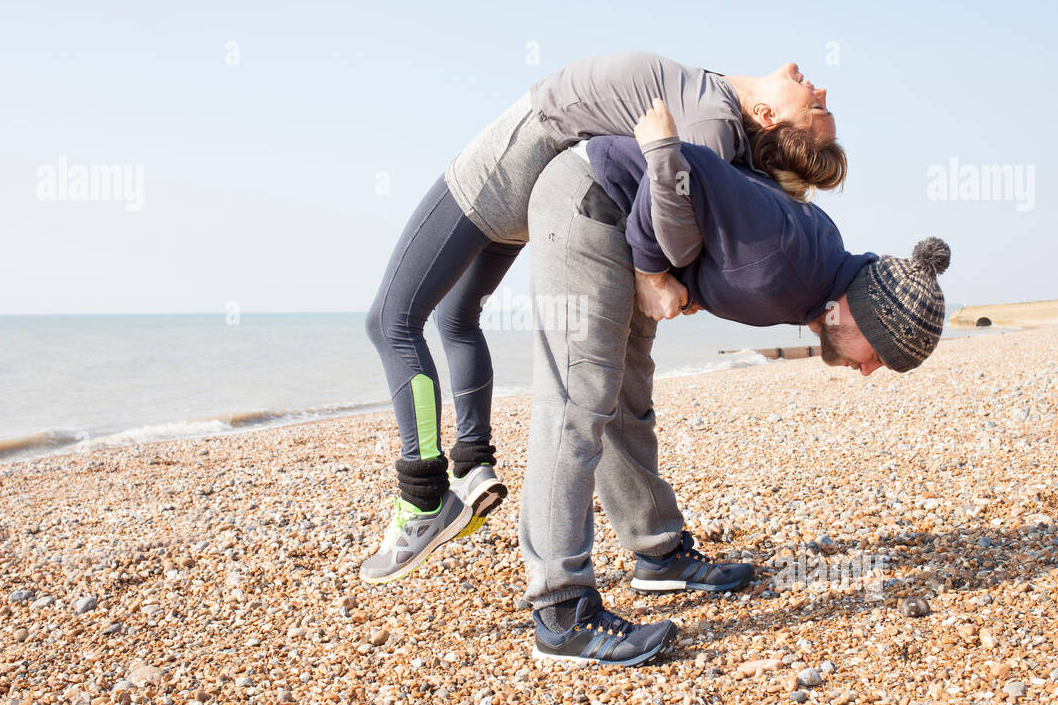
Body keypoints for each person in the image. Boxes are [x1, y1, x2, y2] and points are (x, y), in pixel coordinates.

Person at [360, 52, 845, 585]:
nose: (818, 90)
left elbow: (681, 217)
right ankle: (474, 465)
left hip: (516, 161)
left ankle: (423, 499)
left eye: (816, 109)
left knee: (392, 321)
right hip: (552, 185)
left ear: (767, 115)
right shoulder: (720, 108)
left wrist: (651, 275)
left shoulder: (713, 124)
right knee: (457, 318)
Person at [521, 100, 951, 664]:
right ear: (862, 317)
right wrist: (654, 270)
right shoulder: (785, 264)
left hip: (617, 212)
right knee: (578, 402)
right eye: (880, 358)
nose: (870, 371)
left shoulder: (815, 261)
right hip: (589, 197)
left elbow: (726, 204)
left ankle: (660, 557)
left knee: (625, 398)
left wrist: (691, 280)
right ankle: (561, 611)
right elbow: (680, 172)